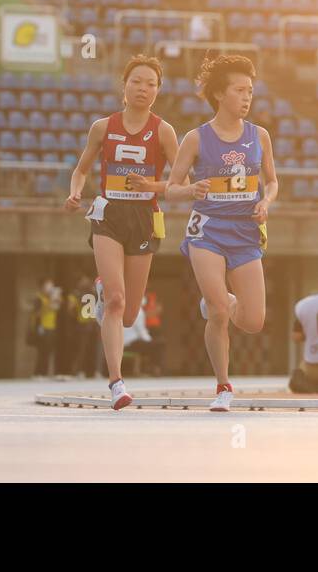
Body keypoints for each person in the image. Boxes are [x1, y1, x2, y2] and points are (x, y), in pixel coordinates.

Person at [65, 54, 179, 410]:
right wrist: (74, 191)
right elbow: (82, 169)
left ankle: (107, 291)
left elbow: (182, 183)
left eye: (151, 84)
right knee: (115, 301)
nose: (143, 89)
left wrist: (152, 185)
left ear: (158, 91)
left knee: (129, 314)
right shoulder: (103, 127)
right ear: (124, 86)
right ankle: (116, 382)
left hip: (144, 217)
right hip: (109, 213)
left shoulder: (163, 131)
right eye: (137, 82)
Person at [166, 53, 277, 412]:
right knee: (215, 313)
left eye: (250, 91)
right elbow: (171, 186)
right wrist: (190, 190)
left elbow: (272, 182)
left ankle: (227, 302)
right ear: (219, 95)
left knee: (253, 321)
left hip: (246, 232)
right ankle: (223, 386)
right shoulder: (196, 139)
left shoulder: (260, 135)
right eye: (239, 90)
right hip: (208, 231)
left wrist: (266, 202)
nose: (247, 98)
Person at [29, 278, 60, 376]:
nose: (50, 287)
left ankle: (44, 373)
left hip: (51, 327)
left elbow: (57, 307)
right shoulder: (39, 298)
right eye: (48, 285)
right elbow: (35, 313)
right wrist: (48, 306)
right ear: (42, 287)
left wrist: (56, 299)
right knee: (42, 351)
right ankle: (38, 373)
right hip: (42, 327)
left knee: (48, 351)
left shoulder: (51, 298)